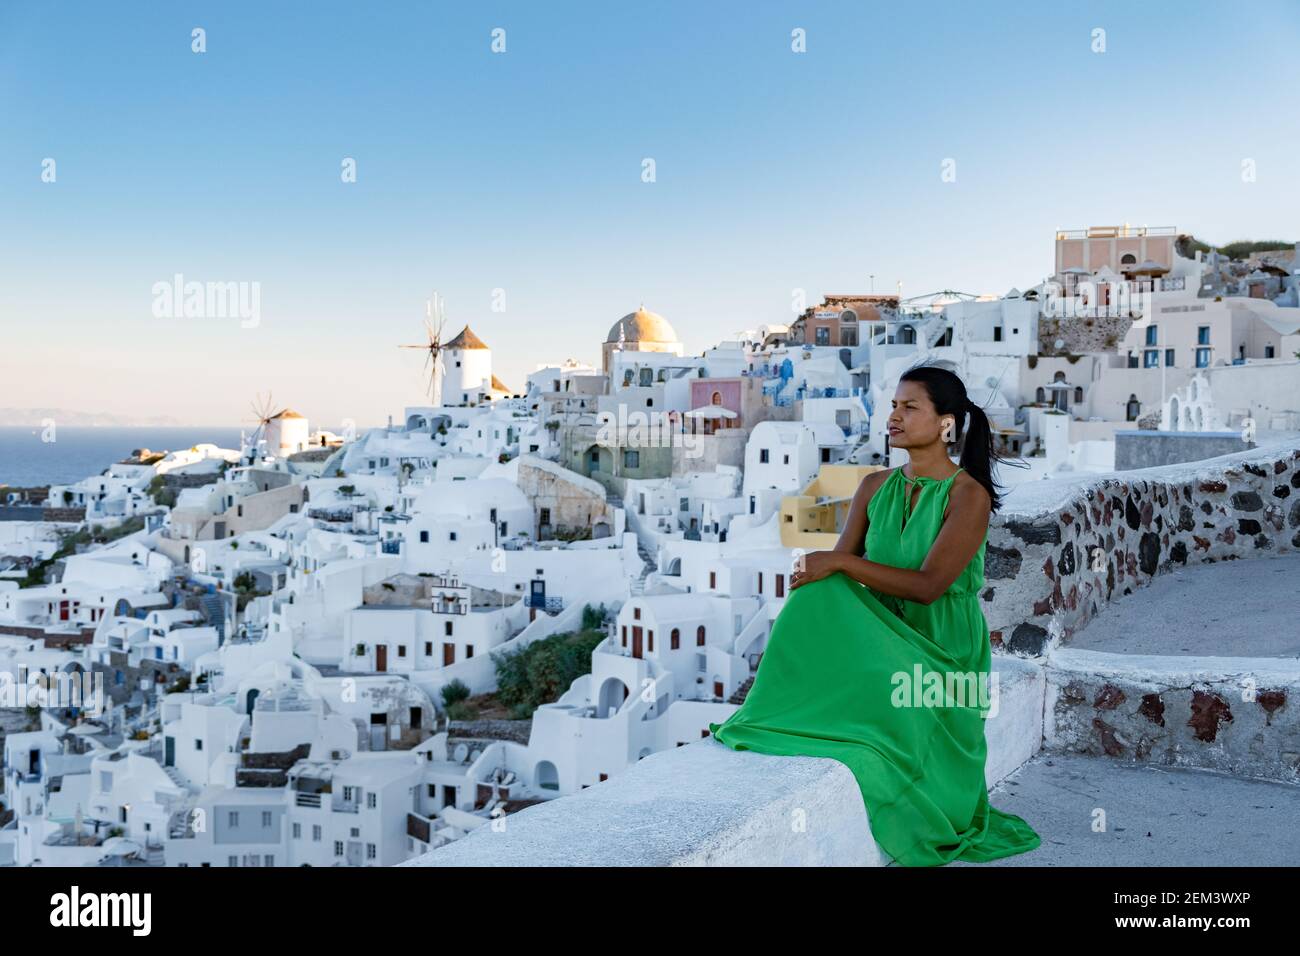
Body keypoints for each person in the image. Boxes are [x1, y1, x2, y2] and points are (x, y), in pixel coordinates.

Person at [709, 364, 1041, 866]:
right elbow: (843, 574)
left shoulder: (967, 495)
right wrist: (828, 569)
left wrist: (839, 560)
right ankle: (771, 708)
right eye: (893, 406)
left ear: (946, 423)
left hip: (943, 646)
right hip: (884, 633)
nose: (895, 416)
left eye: (910, 407)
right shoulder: (872, 486)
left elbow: (930, 588)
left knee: (940, 796)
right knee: (815, 592)